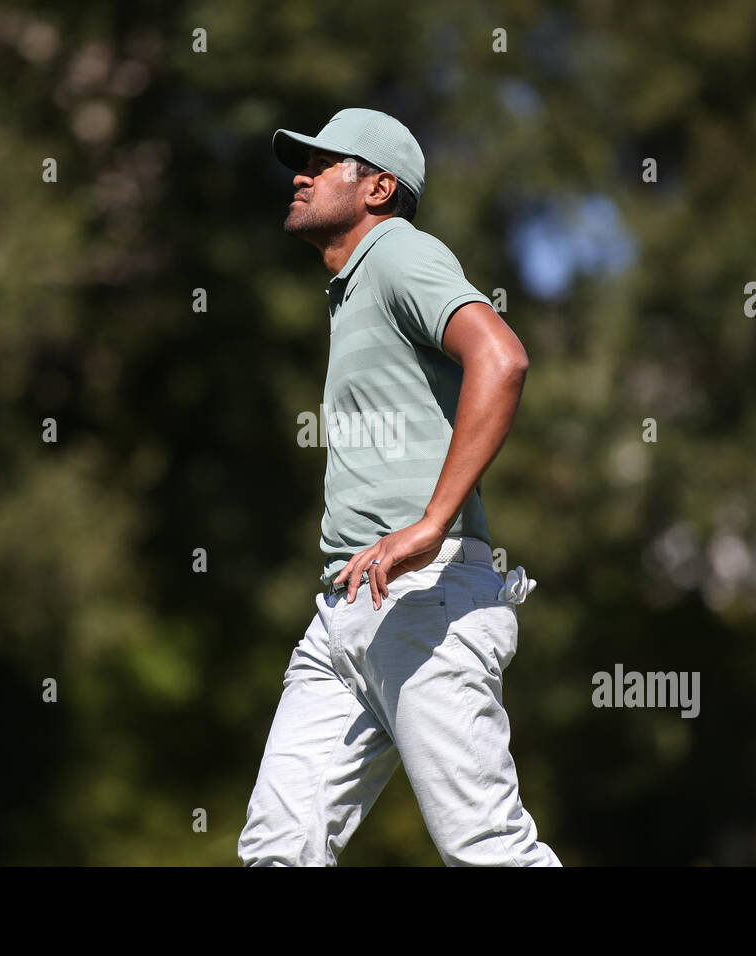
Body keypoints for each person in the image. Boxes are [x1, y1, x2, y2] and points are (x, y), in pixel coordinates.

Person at [238, 108, 560, 866]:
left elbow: (502, 358)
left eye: (323, 163)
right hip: (346, 610)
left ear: (379, 187)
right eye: (300, 163)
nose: (301, 175)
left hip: (426, 600)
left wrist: (430, 524)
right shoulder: (351, 287)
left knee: (487, 850)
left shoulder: (396, 254)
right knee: (278, 849)